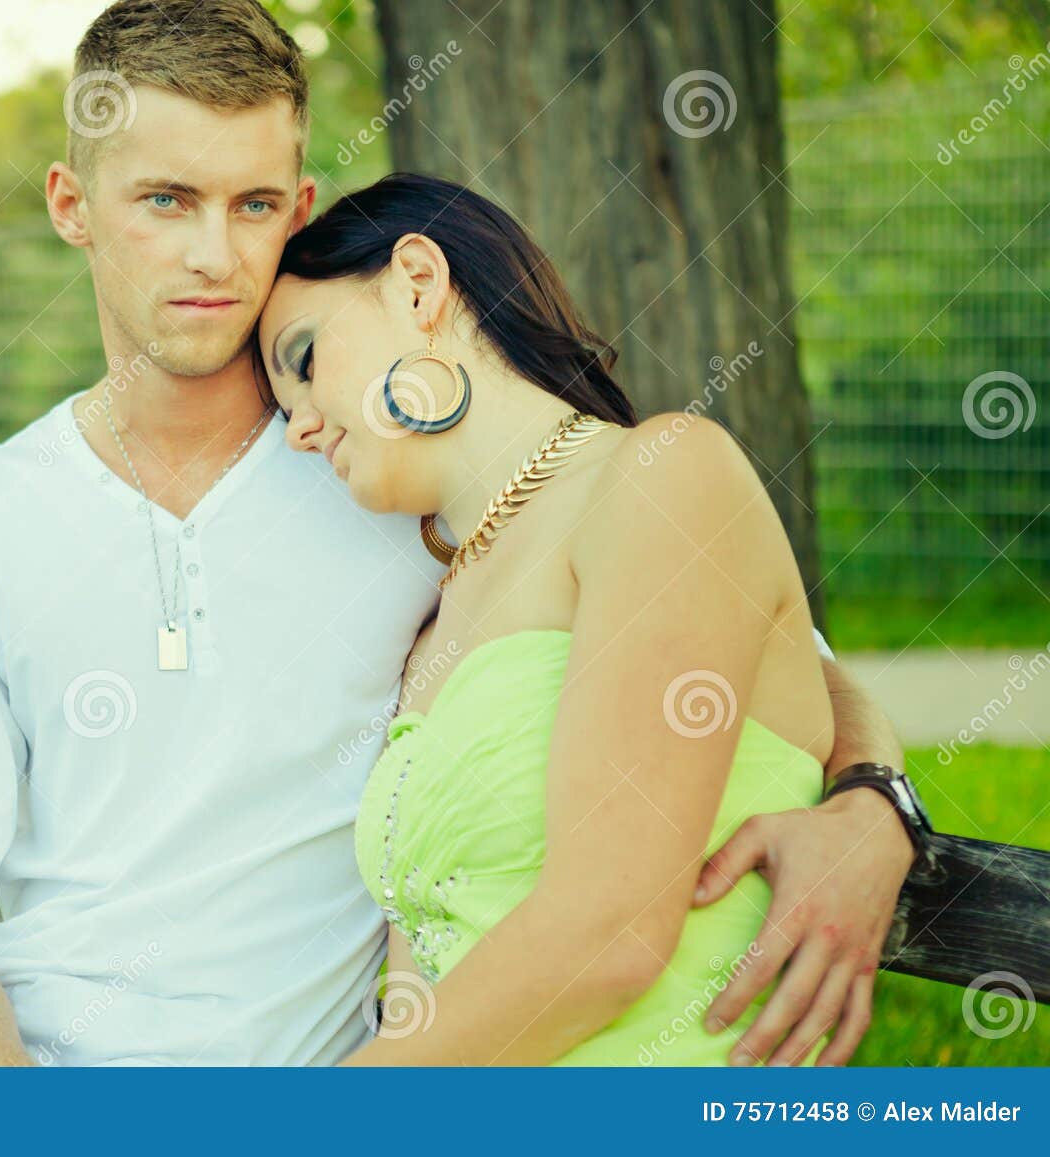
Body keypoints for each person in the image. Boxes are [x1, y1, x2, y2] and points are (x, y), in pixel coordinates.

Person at [0, 0, 914, 1069]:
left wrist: (873, 801)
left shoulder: (393, 486)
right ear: (71, 204)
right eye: (165, 201)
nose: (214, 256)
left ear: (299, 203)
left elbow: (770, 653)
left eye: (252, 205)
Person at [259, 171, 912, 1065]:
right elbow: (425, 972)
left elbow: (609, 935)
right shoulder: (432, 618)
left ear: (418, 282)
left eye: (301, 361)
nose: (297, 426)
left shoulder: (666, 473)